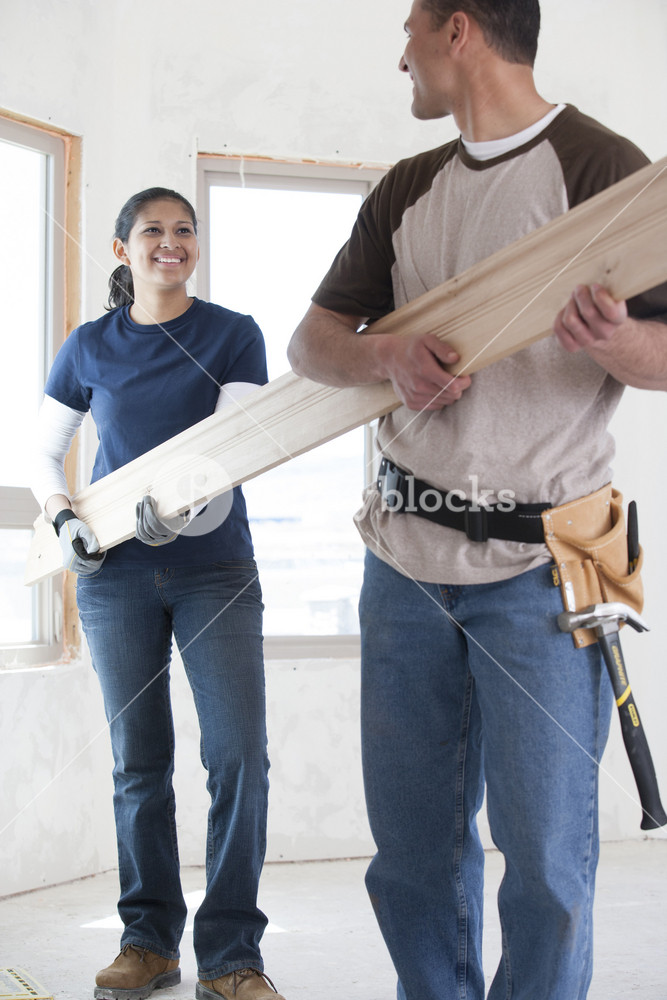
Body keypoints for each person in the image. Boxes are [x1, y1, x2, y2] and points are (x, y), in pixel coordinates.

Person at [287, 3, 667, 998]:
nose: (398, 51)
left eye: (410, 25)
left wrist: (616, 343)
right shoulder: (408, 189)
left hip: (571, 542)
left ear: (459, 31)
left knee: (547, 853)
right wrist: (383, 356)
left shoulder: (607, 170)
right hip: (403, 555)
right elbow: (309, 344)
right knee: (410, 851)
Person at [31, 187, 286, 1000]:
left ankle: (232, 956)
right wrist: (61, 511)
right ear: (122, 250)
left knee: (237, 754)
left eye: (184, 230)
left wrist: (185, 510)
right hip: (113, 577)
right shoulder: (87, 345)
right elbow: (44, 452)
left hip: (216, 570)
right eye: (152, 232)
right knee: (138, 764)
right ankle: (149, 943)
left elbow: (231, 453)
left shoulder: (232, 334)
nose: (169, 243)